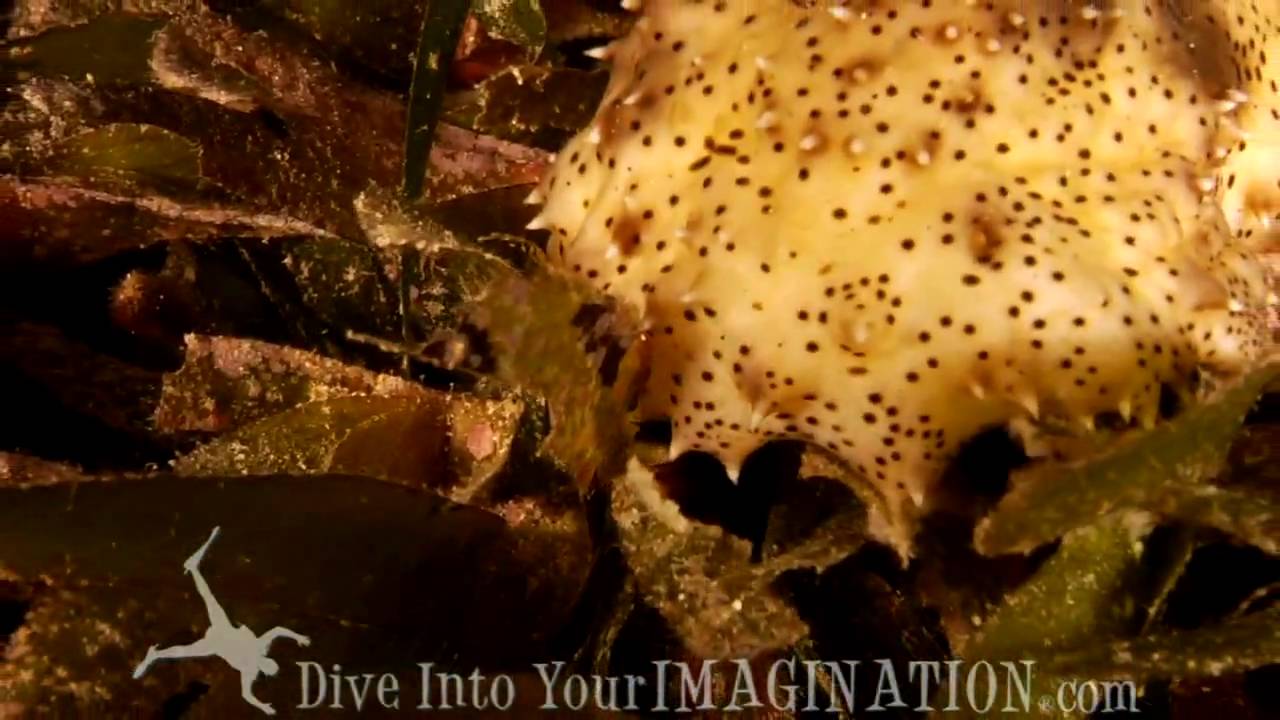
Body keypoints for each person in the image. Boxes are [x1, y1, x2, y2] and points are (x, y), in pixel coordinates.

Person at [132, 527, 310, 716]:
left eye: (267, 668)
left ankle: (155, 655)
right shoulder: (261, 646)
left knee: (185, 651)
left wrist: (262, 706)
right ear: (268, 658)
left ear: (263, 671)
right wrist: (296, 636)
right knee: (210, 599)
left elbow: (246, 694)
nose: (265, 663)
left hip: (216, 644)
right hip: (224, 630)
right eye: (269, 662)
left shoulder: (250, 671)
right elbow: (276, 630)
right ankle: (193, 568)